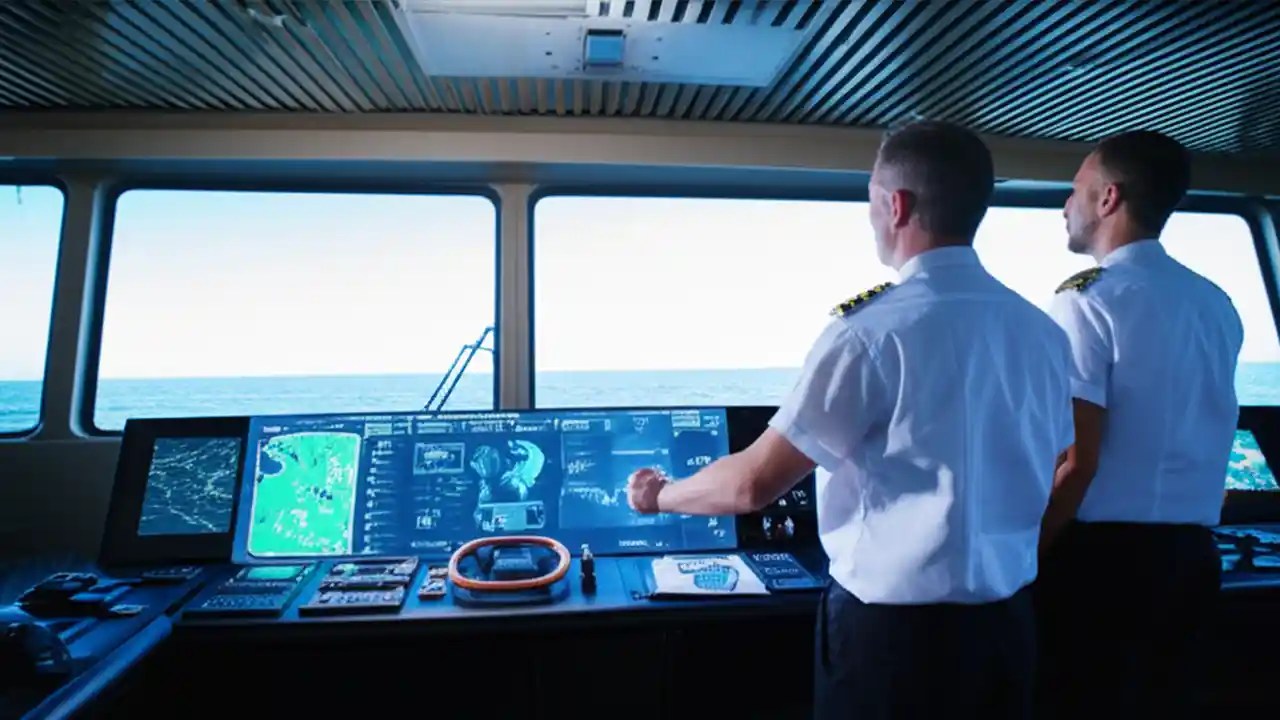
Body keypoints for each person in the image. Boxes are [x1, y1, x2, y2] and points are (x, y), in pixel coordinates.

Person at [626, 120, 1075, 719]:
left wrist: (659, 497)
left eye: (871, 201)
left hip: (895, 645)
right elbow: (1055, 462)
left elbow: (752, 483)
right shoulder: (1042, 332)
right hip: (1007, 631)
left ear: (896, 205)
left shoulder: (869, 331)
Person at [1035, 130, 1243, 718]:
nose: (1065, 206)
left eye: (1075, 190)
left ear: (1108, 199)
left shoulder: (1086, 302)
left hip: (1105, 567)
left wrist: (1027, 557)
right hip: (1193, 561)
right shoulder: (1215, 303)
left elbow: (1077, 461)